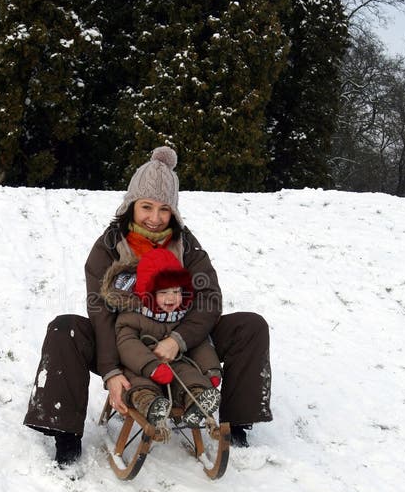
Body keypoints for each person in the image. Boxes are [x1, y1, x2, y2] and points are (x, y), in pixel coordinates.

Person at [24, 145, 272, 466]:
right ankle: (64, 433)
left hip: (180, 340)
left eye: (164, 209)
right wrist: (112, 370)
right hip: (123, 340)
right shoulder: (110, 248)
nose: (155, 219)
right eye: (146, 207)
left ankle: (237, 423)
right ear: (131, 205)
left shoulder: (186, 246)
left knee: (250, 326)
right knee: (65, 328)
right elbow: (100, 313)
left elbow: (209, 299)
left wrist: (178, 339)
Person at [100, 245, 222, 427]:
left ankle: (197, 401)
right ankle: (149, 404)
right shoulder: (132, 316)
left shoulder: (183, 315)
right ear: (147, 293)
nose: (171, 298)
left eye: (176, 291)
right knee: (137, 384)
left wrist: (210, 370)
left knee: (190, 376)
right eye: (163, 292)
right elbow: (127, 345)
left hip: (177, 364)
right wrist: (152, 367)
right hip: (140, 367)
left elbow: (200, 344)